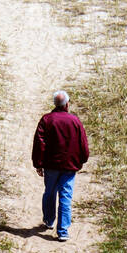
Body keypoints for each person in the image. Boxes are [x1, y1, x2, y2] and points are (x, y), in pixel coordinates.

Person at [32, 90, 89, 242]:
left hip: (50, 165)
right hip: (69, 166)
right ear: (67, 104)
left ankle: (49, 220)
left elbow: (39, 143)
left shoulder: (46, 120)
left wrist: (38, 163)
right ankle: (63, 231)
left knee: (49, 192)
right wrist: (83, 159)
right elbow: (83, 143)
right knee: (66, 196)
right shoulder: (75, 121)